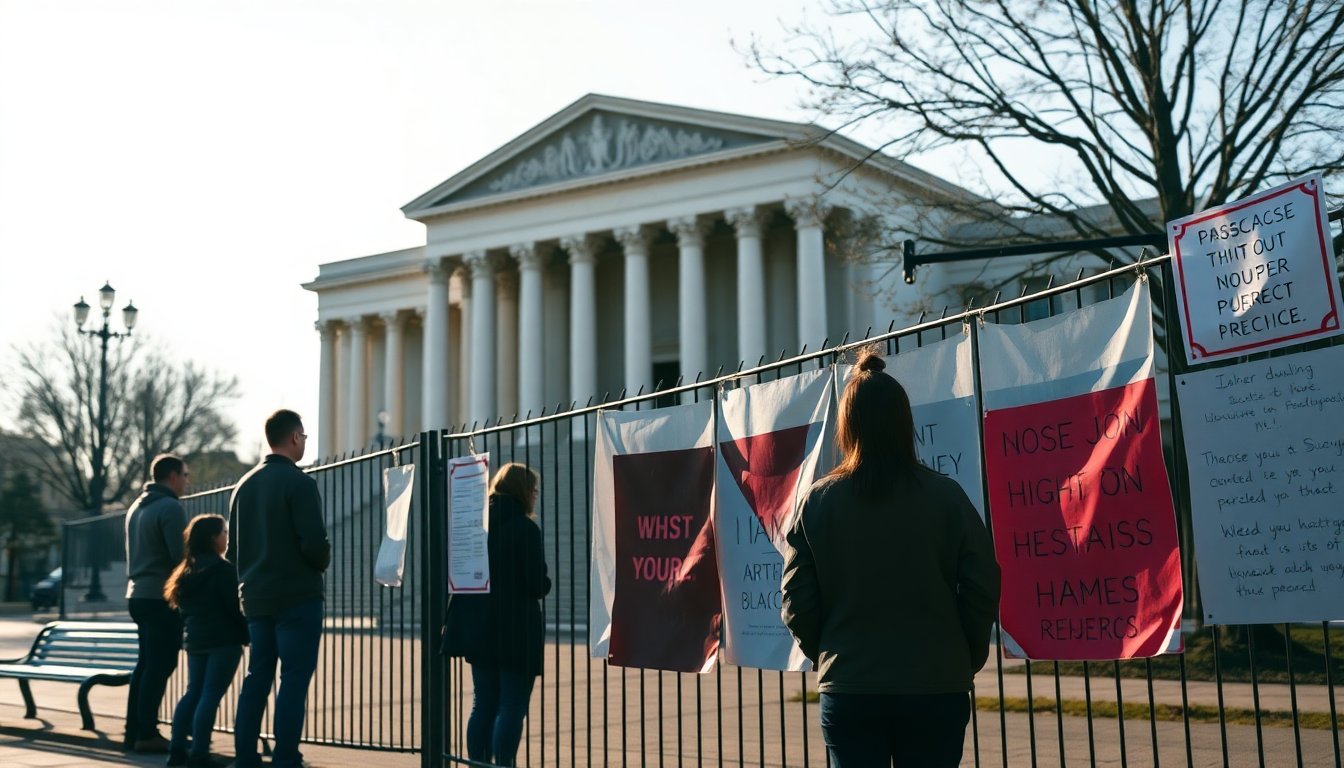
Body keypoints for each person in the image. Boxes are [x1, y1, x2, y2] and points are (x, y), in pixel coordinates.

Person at [781, 347, 1001, 768]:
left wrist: (829, 651)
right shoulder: (947, 498)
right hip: (937, 684)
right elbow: (982, 585)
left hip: (850, 686)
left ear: (847, 427)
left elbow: (795, 601)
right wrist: (964, 655)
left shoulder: (817, 502)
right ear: (905, 423)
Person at [228, 409, 330, 768]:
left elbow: (232, 553)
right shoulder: (300, 484)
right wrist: (322, 559)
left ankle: (245, 757)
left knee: (257, 677)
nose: (303, 443)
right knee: (294, 678)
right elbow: (314, 544)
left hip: (255, 597)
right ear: (293, 438)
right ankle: (286, 755)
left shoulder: (244, 485)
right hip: (297, 595)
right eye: (303, 437)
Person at [464, 463, 551, 766]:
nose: (535, 496)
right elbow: (537, 584)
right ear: (523, 491)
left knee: (482, 704)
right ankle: (503, 763)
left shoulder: (478, 528)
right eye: (534, 490)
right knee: (512, 706)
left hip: (482, 627)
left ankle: (478, 762)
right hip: (518, 630)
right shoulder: (525, 529)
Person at [164, 514, 248, 767]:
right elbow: (234, 608)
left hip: (196, 639)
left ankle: (176, 749)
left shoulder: (185, 572)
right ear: (213, 538)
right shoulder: (223, 570)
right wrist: (246, 633)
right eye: (223, 532)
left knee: (193, 692)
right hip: (224, 640)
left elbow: (183, 610)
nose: (226, 537)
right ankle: (200, 753)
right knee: (210, 696)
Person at [124, 453, 190, 753]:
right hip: (160, 595)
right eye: (185, 475)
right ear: (173, 476)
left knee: (145, 665)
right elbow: (179, 557)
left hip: (137, 593)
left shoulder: (137, 507)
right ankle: (147, 732)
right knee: (161, 664)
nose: (187, 481)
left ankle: (134, 730)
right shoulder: (170, 507)